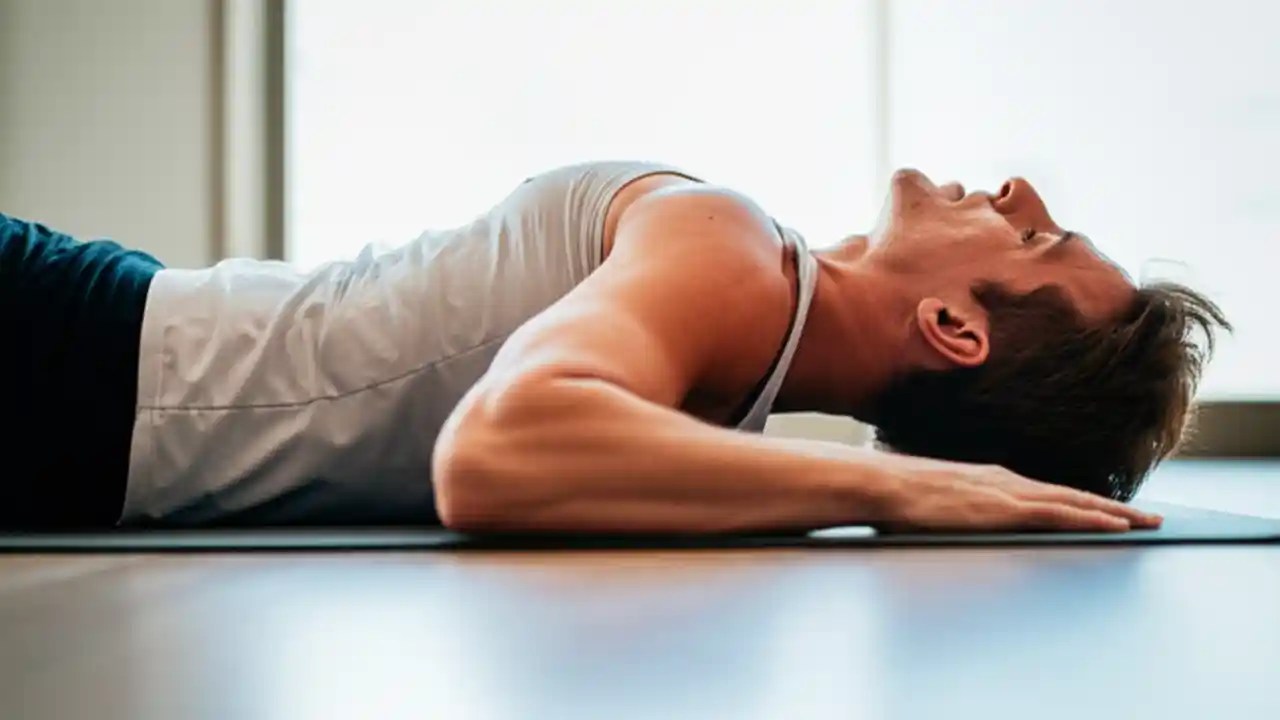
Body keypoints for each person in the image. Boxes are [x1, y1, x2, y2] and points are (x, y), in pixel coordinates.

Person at [0, 160, 1228, 533]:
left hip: (75, 402)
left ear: (953, 329)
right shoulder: (728, 247)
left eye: (1034, 235)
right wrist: (901, 485)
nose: (1015, 190)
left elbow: (495, 457)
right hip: (58, 346)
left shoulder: (740, 337)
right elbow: (497, 449)